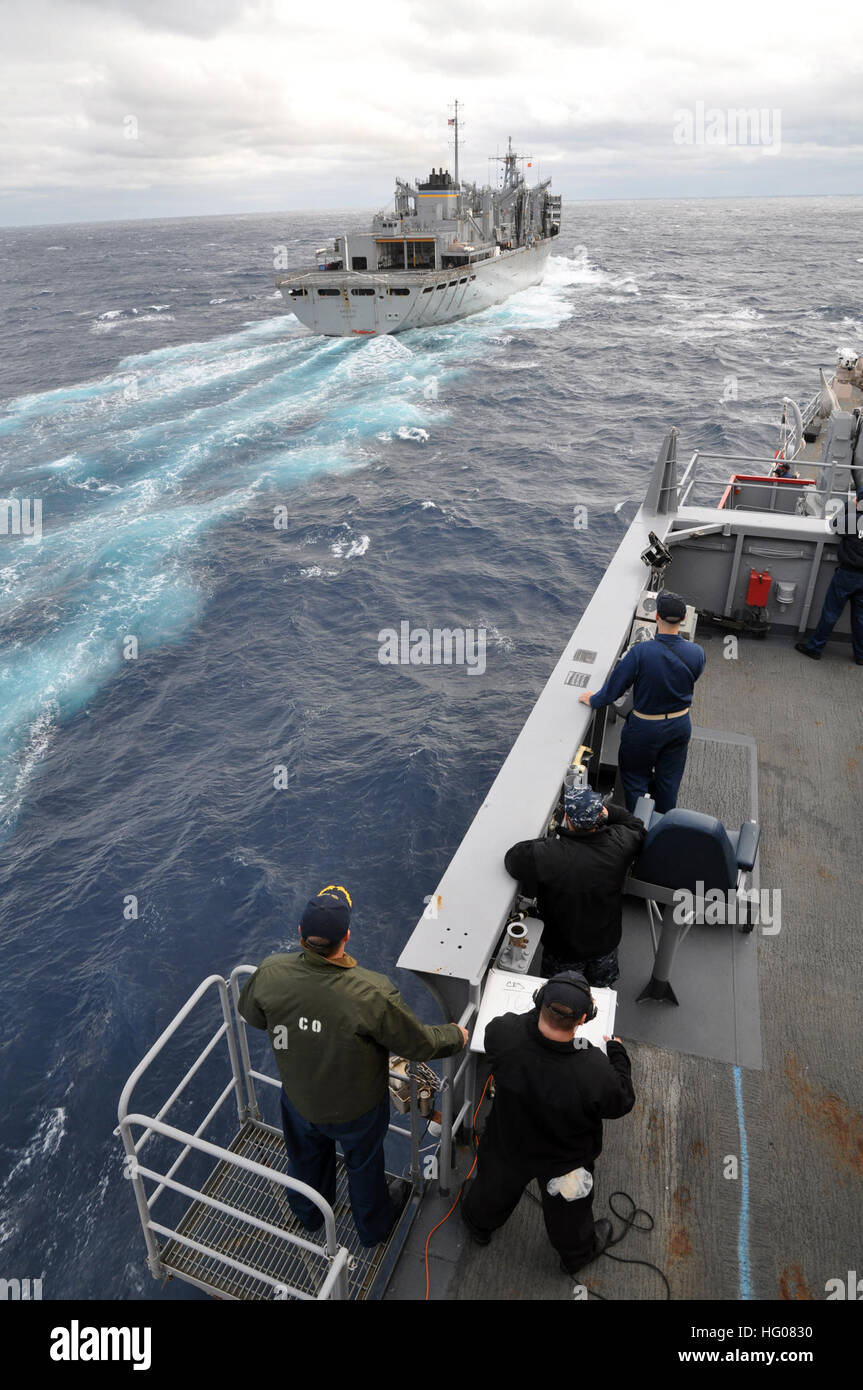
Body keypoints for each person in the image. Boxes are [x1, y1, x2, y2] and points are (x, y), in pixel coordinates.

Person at [238, 885, 467, 1247]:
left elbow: (252, 1015)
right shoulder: (372, 992)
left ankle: (309, 1214)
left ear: (300, 934)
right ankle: (373, 1229)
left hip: (300, 1101)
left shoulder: (270, 973)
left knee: (305, 1159)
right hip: (356, 1110)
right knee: (363, 1166)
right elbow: (418, 1043)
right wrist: (456, 1035)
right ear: (346, 936)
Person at [461, 972, 635, 1276]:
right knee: (569, 1213)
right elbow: (622, 1101)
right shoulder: (594, 1069)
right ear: (584, 1019)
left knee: (492, 1189)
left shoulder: (504, 1033)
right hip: (564, 1159)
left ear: (538, 1001)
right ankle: (576, 1255)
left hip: (509, 1143)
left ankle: (479, 1226)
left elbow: (506, 1037)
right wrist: (618, 1055)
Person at [504, 784, 645, 985]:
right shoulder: (620, 844)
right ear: (600, 817)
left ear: (568, 819)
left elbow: (514, 859)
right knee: (601, 988)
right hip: (605, 946)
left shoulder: (553, 855)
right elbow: (635, 824)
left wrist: (549, 842)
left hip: (563, 951)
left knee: (561, 1000)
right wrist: (607, 810)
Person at [578, 591, 705, 813]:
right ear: (684, 619)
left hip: (645, 727)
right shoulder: (697, 653)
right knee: (668, 783)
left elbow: (613, 691)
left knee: (635, 780)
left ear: (657, 617)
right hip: (679, 724)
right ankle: (663, 828)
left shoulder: (641, 652)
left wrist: (593, 700)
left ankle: (639, 828)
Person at [795, 486, 863, 665]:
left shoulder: (853, 521)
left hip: (847, 575)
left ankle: (815, 648)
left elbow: (832, 525)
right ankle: (861, 655)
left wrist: (850, 506)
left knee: (831, 613)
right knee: (861, 618)